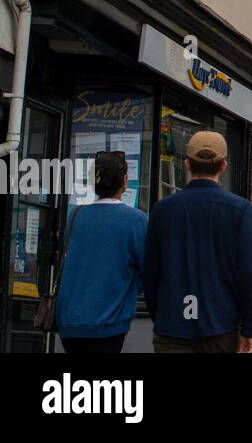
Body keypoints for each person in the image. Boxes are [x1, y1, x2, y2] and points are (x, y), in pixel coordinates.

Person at [144, 131, 252, 353]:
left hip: (172, 323)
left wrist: (159, 313)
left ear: (187, 164)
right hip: (220, 324)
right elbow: (247, 274)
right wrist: (249, 328)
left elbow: (151, 271)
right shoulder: (239, 209)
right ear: (223, 166)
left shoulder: (163, 209)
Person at [55, 151, 147, 353]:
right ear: (124, 180)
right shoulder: (136, 220)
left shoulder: (75, 214)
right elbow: (147, 272)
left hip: (69, 320)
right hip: (108, 320)